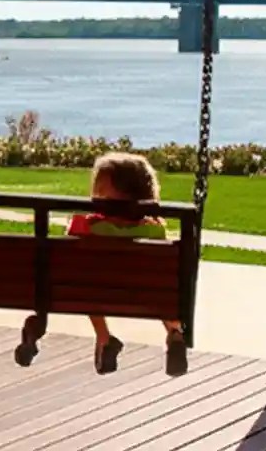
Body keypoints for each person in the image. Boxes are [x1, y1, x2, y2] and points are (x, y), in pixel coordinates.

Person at [66, 152, 187, 376]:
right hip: (147, 294)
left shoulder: (92, 227)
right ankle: (174, 330)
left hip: (100, 293)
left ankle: (104, 337)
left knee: (86, 286)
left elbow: (70, 239)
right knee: (158, 285)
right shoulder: (154, 229)